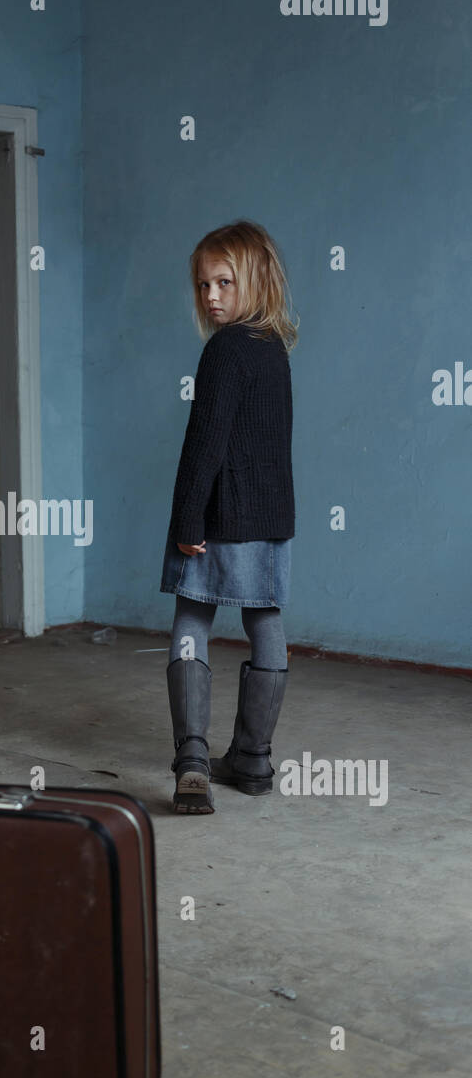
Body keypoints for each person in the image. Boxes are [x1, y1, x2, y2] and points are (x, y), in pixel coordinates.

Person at [160, 220, 299, 815]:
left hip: (220, 515)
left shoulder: (223, 351)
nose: (211, 296)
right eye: (202, 285)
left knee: (193, 617)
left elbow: (205, 445)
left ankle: (193, 761)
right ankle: (253, 759)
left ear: (256, 280)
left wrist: (188, 519)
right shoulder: (275, 350)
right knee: (264, 621)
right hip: (270, 518)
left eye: (224, 282)